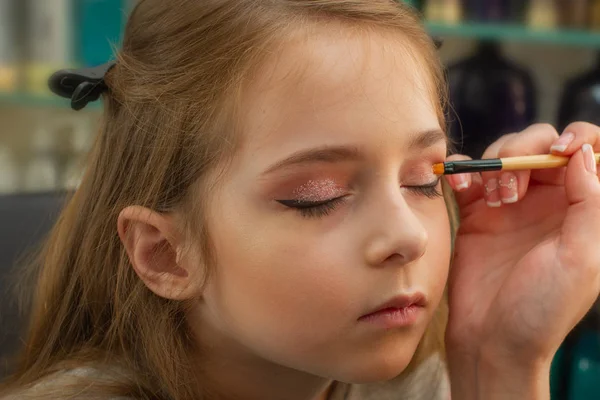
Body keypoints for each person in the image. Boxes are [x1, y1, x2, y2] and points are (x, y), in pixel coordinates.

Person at [2, 0, 600, 399]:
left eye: (423, 179)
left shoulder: (414, 383)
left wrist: (501, 363)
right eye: (320, 196)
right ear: (166, 255)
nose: (410, 235)